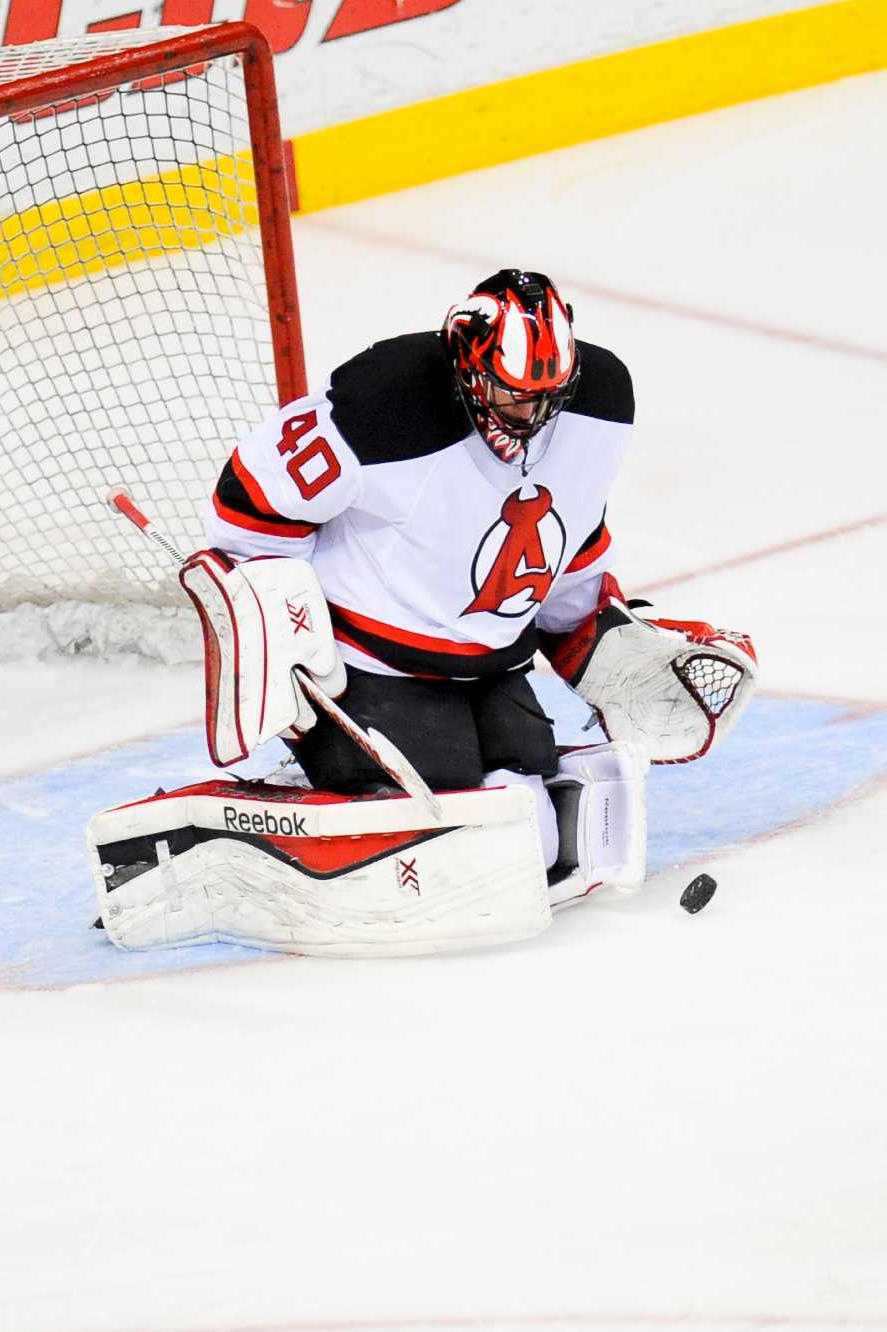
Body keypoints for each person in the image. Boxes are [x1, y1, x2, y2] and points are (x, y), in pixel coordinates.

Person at [88, 270, 756, 957]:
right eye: (512, 394)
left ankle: (362, 781)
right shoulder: (384, 406)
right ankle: (244, 832)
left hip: (492, 665)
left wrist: (598, 633)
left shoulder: (600, 406)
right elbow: (248, 506)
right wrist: (280, 627)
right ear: (468, 367)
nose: (532, 416)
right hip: (363, 666)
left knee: (529, 823)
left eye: (547, 397)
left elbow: (571, 534)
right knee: (461, 814)